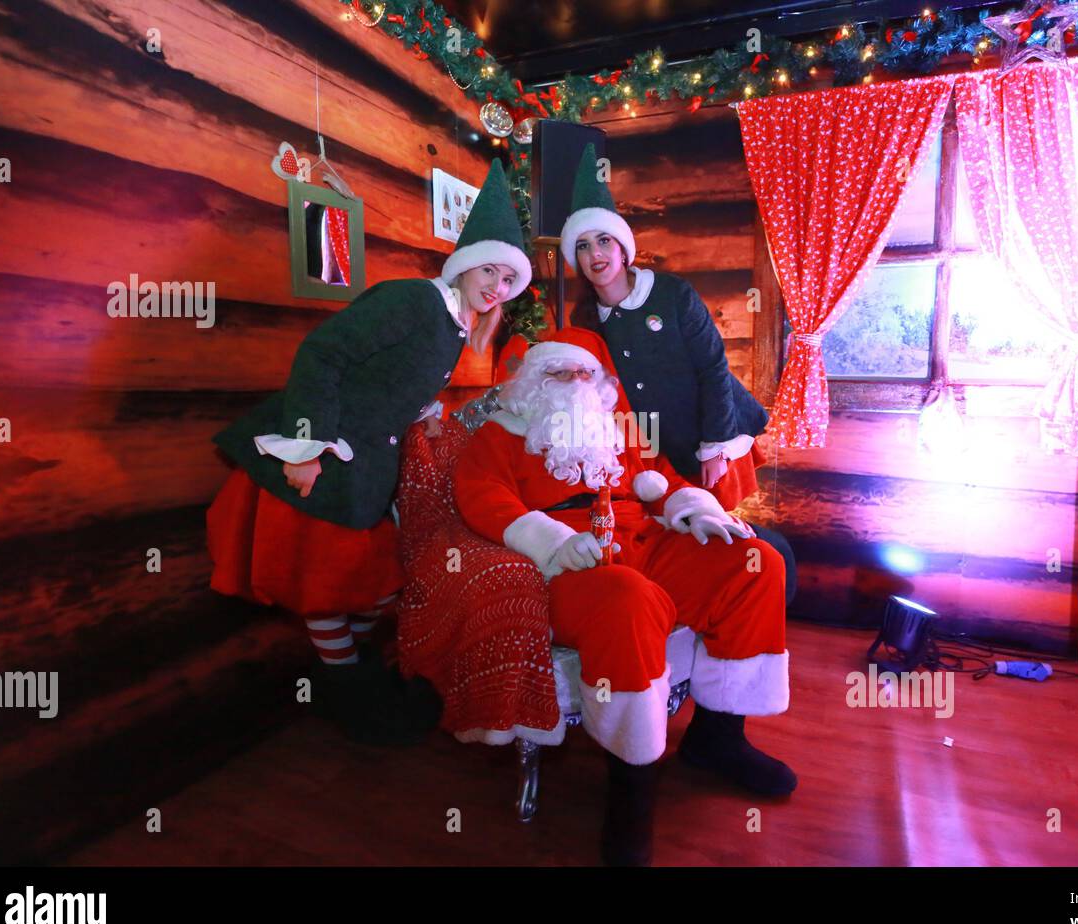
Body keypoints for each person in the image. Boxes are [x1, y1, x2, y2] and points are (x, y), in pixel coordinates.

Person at [207, 159, 531, 746]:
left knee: (376, 581)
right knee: (327, 583)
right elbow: (323, 354)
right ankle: (347, 689)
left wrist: (424, 409)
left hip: (368, 467)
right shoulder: (411, 299)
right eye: (490, 270)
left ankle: (348, 681)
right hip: (323, 455)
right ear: (464, 264)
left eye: (508, 281)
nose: (497, 288)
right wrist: (305, 446)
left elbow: (388, 377)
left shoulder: (458, 322)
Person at [453, 337, 795, 866]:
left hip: (643, 538)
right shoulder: (499, 434)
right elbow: (482, 497)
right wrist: (553, 542)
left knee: (755, 565)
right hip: (564, 560)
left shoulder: (622, 429)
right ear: (529, 383)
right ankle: (631, 790)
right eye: (558, 374)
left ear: (601, 383)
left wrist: (697, 510)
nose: (574, 385)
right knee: (629, 601)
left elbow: (664, 484)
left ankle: (718, 737)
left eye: (584, 374)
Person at [561, 144, 797, 605]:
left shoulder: (671, 295)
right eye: (583, 246)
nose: (595, 254)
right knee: (692, 522)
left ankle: (748, 595)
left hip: (713, 429)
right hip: (659, 445)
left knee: (722, 517)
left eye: (603, 240)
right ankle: (709, 605)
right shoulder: (586, 319)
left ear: (623, 247)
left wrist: (715, 446)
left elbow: (712, 367)